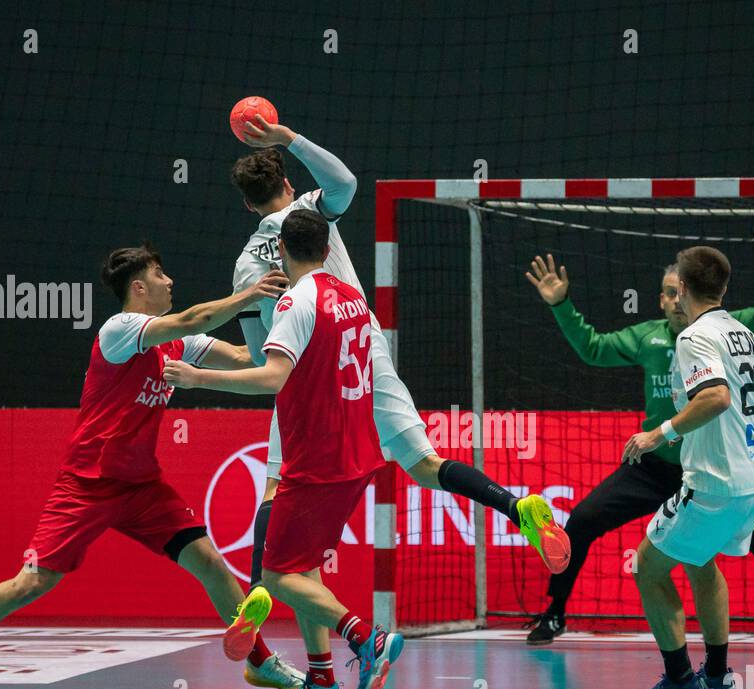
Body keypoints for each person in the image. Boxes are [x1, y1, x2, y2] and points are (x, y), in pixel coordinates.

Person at [224, 118, 568, 650]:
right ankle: (513, 505)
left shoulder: (247, 264)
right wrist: (287, 136)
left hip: (300, 376)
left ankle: (256, 591)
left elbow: (255, 357)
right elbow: (345, 182)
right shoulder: (310, 216)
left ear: (247, 205)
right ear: (287, 186)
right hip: (364, 352)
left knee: (276, 490)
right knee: (425, 467)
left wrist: (204, 362)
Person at [0, 244, 305, 689]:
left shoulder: (177, 345)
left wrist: (273, 319)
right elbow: (194, 318)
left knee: (210, 562)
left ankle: (260, 662)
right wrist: (248, 295)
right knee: (32, 582)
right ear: (138, 287)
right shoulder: (119, 329)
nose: (169, 281)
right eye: (160, 273)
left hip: (142, 487)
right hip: (87, 485)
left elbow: (243, 358)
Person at [524, 205, 754, 651]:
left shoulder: (727, 330)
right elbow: (593, 349)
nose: (673, 300)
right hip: (656, 468)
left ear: (686, 291)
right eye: (665, 294)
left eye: (677, 291)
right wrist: (561, 304)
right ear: (662, 299)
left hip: (711, 472)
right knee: (581, 519)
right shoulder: (649, 337)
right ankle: (555, 613)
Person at [165, 209, 401, 689]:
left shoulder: (298, 300)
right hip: (359, 452)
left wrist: (196, 378)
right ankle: (322, 686)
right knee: (303, 569)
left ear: (282, 249)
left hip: (316, 459)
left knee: (274, 578)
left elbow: (272, 376)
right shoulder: (352, 296)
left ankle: (367, 638)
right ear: (325, 246)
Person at [621, 246, 754, 689]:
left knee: (647, 567)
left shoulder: (694, 337)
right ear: (725, 289)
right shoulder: (742, 332)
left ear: (683, 290)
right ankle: (717, 674)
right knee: (700, 560)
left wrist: (658, 434)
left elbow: (715, 398)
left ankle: (680, 681)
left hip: (717, 483)